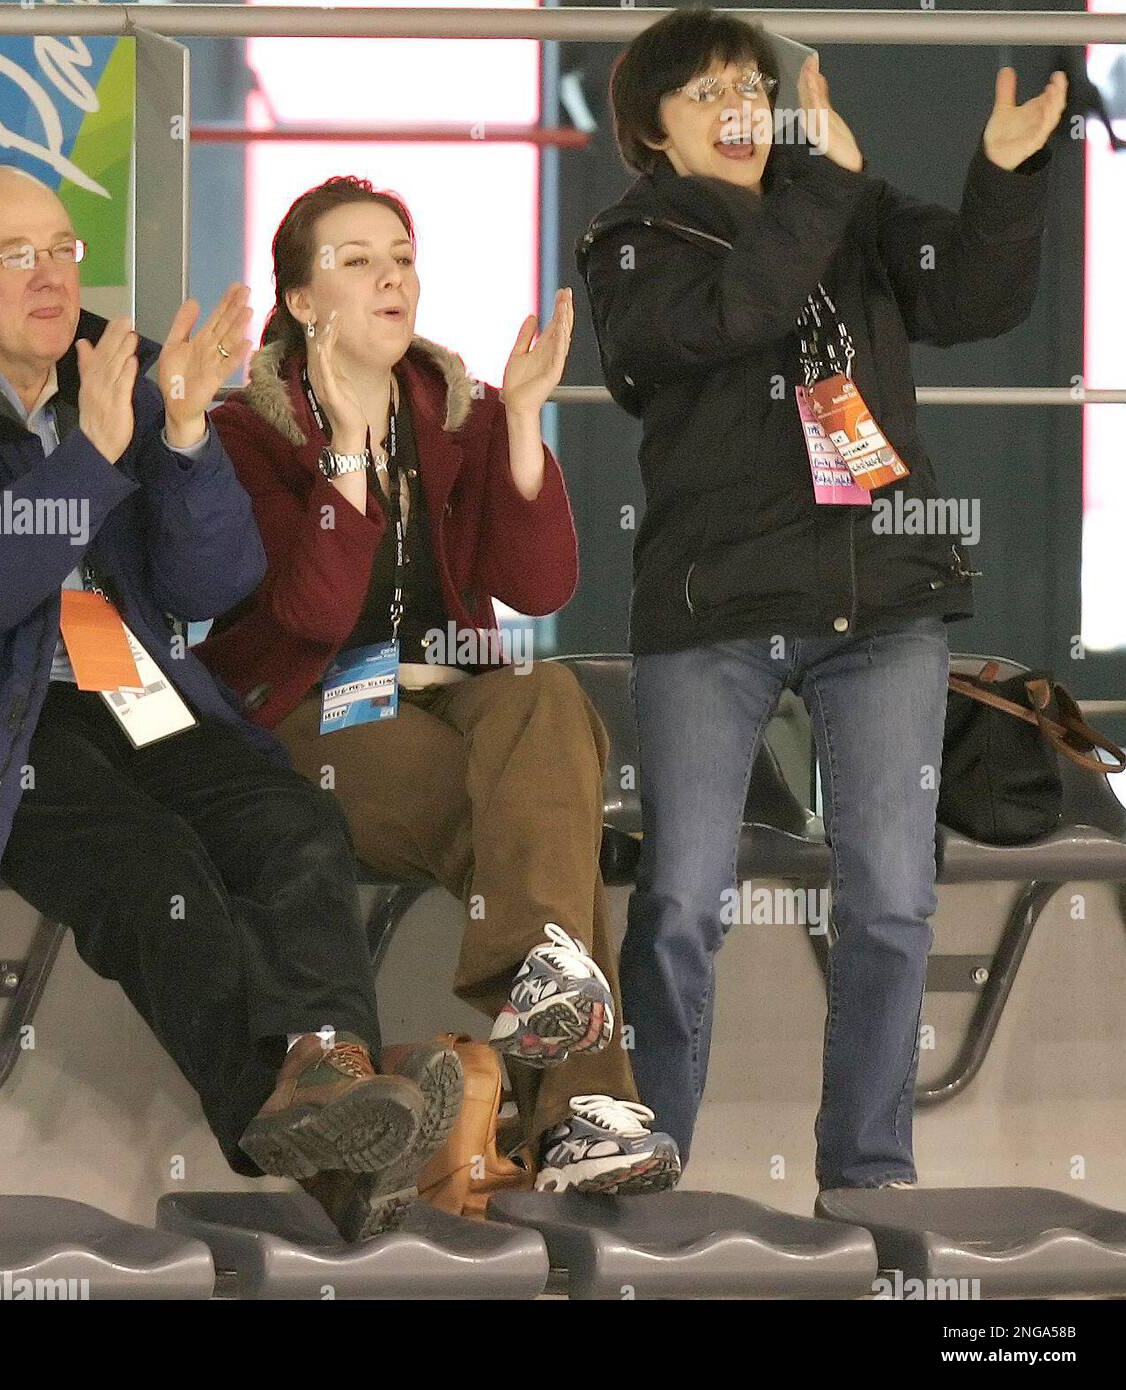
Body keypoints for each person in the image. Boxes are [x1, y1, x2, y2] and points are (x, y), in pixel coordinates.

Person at [0, 164, 461, 1241]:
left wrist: (179, 438)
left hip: (126, 687)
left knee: (290, 820)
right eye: (17, 255)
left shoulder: (110, 381)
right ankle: (291, 1117)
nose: (53, 275)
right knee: (149, 859)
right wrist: (91, 458)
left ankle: (332, 1071)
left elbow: (209, 584)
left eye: (66, 250)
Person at [577, 7, 1066, 1190]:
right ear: (652, 131)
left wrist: (1002, 176)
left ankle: (866, 1171)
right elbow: (738, 312)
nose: (741, 108)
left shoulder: (839, 195)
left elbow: (970, 300)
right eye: (707, 95)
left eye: (752, 84)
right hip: (714, 614)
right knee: (686, 900)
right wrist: (827, 190)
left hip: (880, 604)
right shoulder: (634, 242)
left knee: (894, 899)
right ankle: (652, 1162)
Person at [196, 175, 680, 1195]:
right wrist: (341, 453)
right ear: (299, 301)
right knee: (537, 832)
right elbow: (311, 619)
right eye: (357, 259)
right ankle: (585, 1104)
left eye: (403, 257)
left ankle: (542, 984)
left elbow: (539, 583)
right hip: (314, 711)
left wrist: (522, 430)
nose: (390, 278)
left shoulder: (459, 409)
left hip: (447, 685)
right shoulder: (250, 431)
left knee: (545, 694)